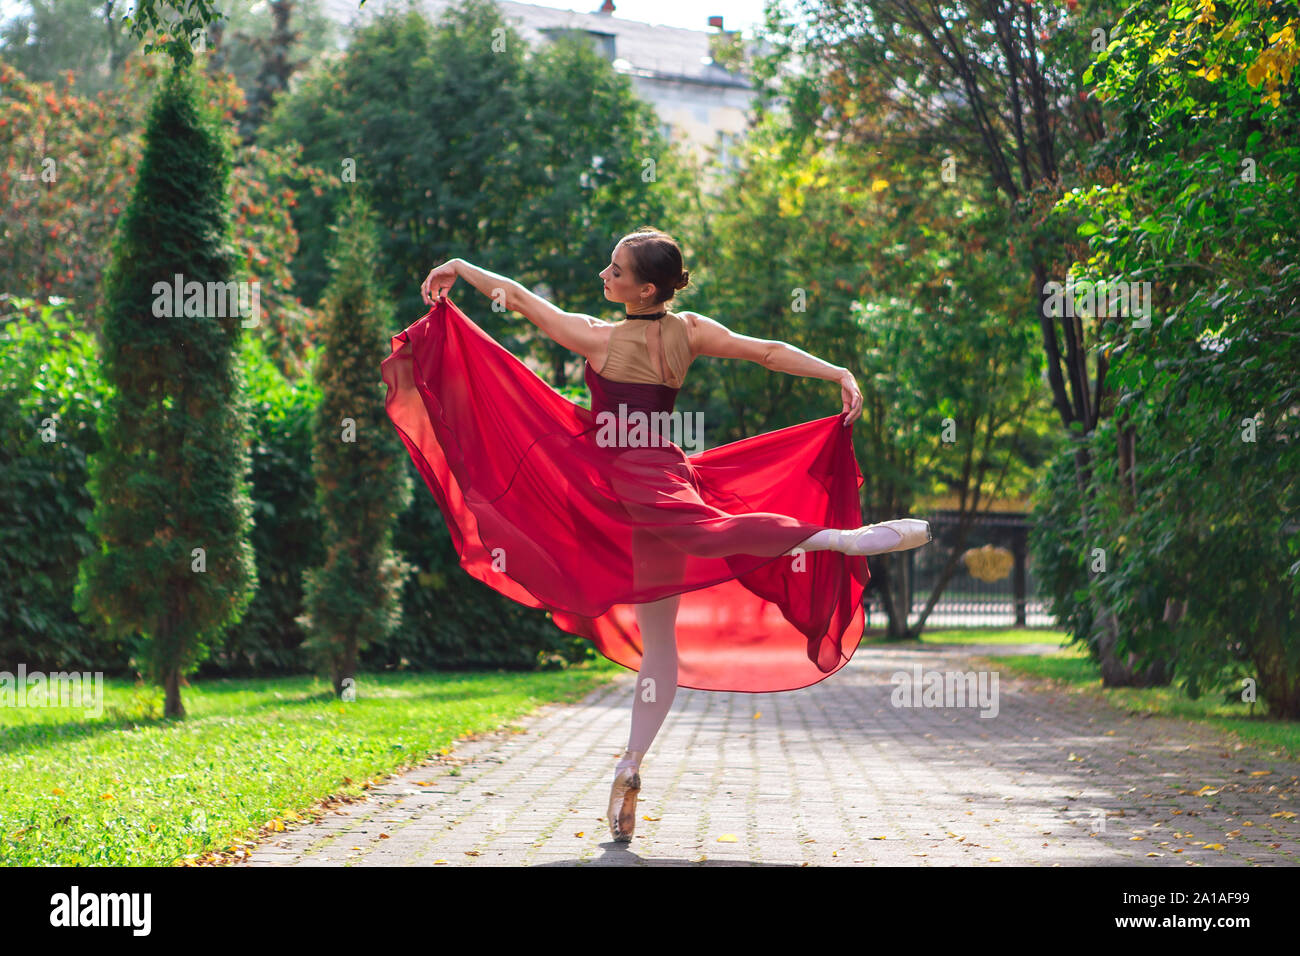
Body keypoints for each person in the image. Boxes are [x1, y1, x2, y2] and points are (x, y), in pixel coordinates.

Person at [384, 227, 931, 844]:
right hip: (662, 470)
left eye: (614, 271)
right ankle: (630, 763)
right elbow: (769, 351)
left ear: (645, 289)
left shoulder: (598, 338)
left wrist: (460, 264)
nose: (603, 276)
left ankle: (838, 539)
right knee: (663, 636)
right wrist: (837, 370)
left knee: (703, 545)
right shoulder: (688, 330)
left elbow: (515, 297)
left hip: (622, 485)